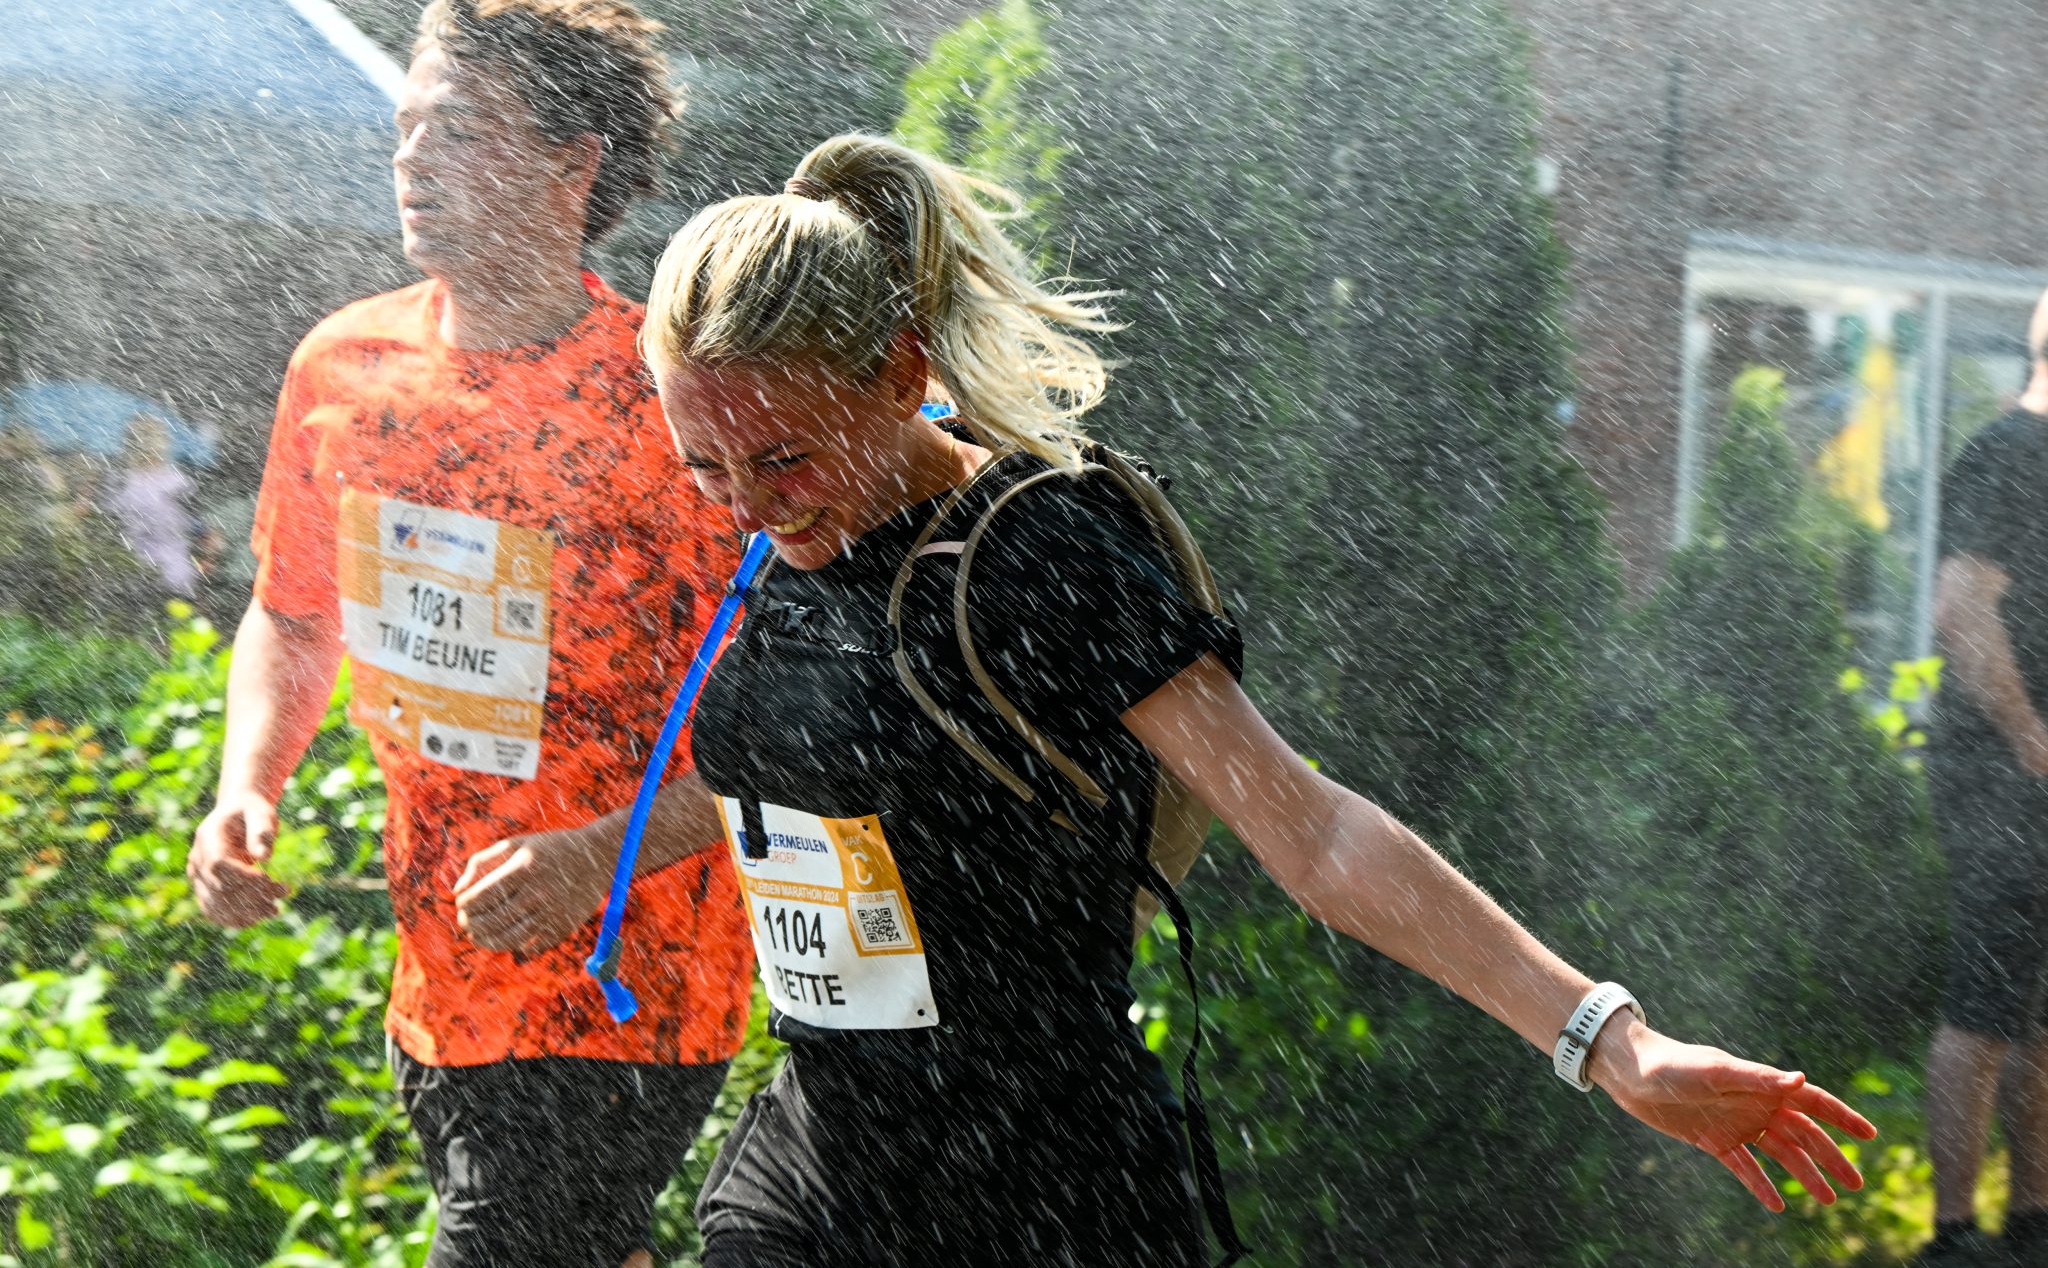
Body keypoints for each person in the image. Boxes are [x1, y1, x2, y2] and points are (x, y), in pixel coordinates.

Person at [569, 132, 1877, 1268]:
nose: (747, 503)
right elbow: (832, 770)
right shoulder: (790, 547)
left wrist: (1607, 1040)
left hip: (1037, 1190)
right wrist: (594, 859)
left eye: (781, 457)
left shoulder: (1039, 554)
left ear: (900, 369)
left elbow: (1315, 836)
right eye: (708, 465)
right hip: (813, 1164)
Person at [182, 0, 753, 1268]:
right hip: (442, 975)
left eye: (464, 129)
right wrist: (246, 782)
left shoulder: (663, 405)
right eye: (407, 126)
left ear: (571, 166)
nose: (413, 157)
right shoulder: (344, 366)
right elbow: (295, 613)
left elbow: (789, 718)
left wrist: (602, 853)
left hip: (630, 974)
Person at [1923, 289, 2048, 1268]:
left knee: (2036, 1005)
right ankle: (1953, 1235)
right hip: (2000, 770)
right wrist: (2026, 733)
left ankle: (2034, 1216)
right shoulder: (2007, 453)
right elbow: (1961, 609)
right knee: (1988, 999)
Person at [106, 414, 199, 599]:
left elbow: (196, 524)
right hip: (128, 570)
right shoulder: (118, 479)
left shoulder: (178, 481)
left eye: (156, 436)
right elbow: (109, 522)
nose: (150, 444)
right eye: (143, 436)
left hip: (174, 573)